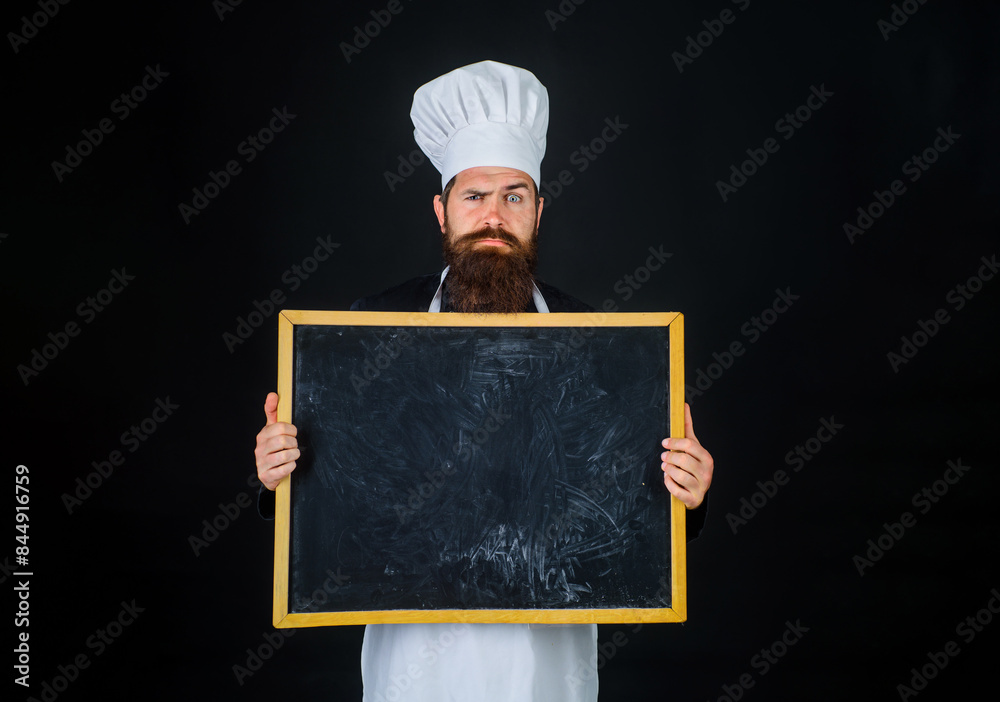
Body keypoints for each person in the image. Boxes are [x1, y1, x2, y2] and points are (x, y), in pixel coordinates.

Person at [254, 60, 714, 701]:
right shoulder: (369, 332)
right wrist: (276, 477)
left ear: (539, 210)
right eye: (475, 197)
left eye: (513, 196)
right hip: (412, 663)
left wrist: (686, 498)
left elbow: (627, 514)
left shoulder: (600, 340)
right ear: (442, 211)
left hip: (550, 662)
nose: (493, 216)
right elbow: (327, 509)